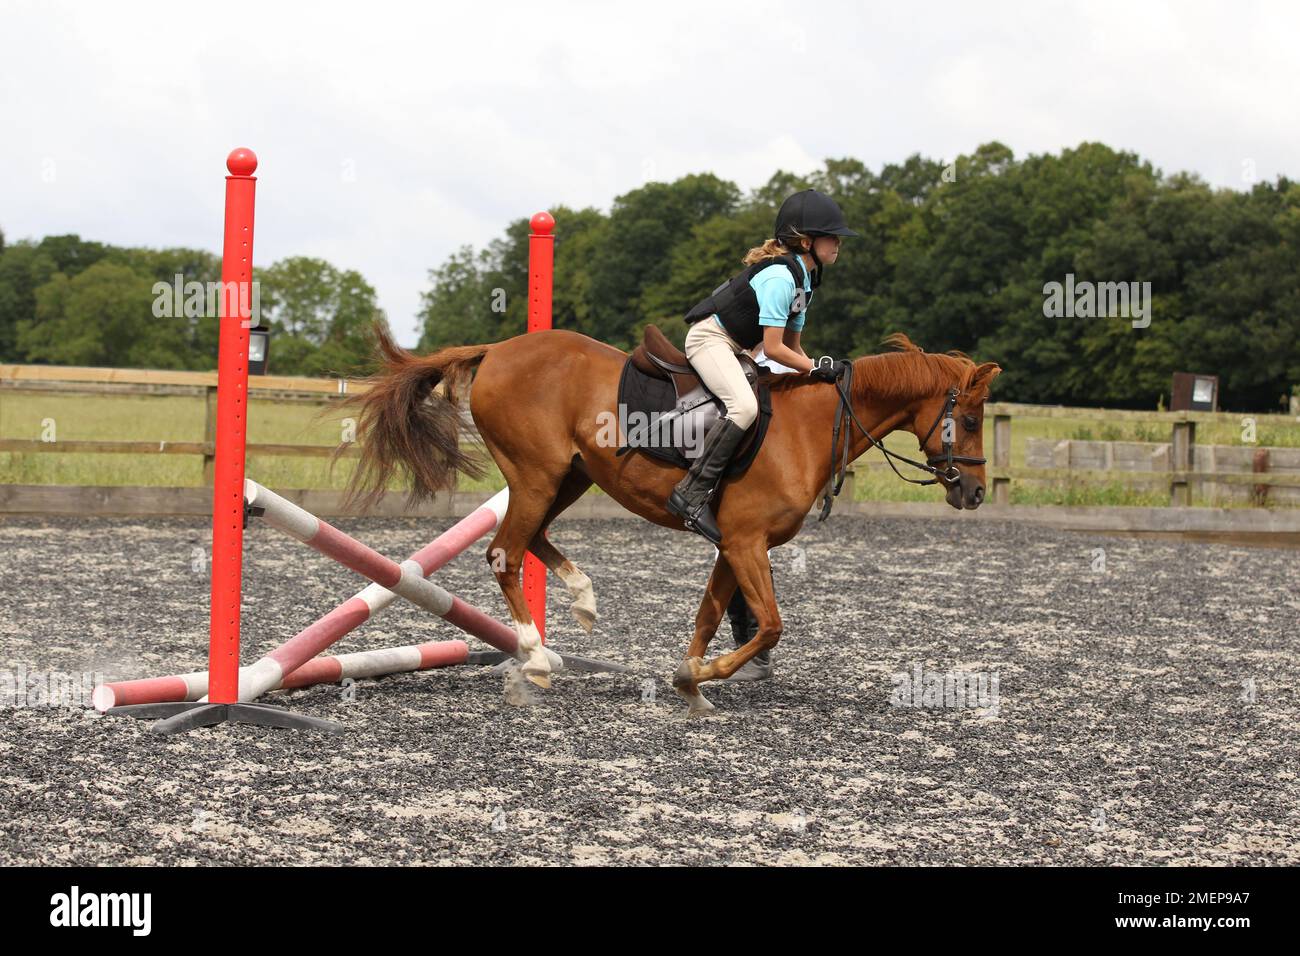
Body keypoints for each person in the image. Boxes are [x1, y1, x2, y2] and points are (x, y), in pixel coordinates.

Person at [666, 188, 859, 546]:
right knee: (744, 406)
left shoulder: (805, 282)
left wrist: (817, 377)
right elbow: (773, 348)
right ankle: (691, 492)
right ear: (805, 240)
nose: (838, 244)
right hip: (710, 341)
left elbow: (792, 348)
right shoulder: (780, 279)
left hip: (740, 348)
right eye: (831, 237)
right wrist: (816, 367)